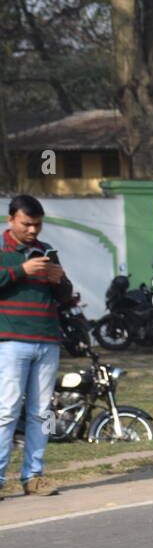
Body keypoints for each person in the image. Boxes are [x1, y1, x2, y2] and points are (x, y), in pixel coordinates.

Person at [0, 194, 73, 499]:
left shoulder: (46, 251)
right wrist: (20, 271)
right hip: (11, 341)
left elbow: (66, 297)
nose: (33, 231)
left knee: (42, 414)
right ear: (11, 220)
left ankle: (34, 476)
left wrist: (59, 280)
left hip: (47, 340)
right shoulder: (2, 250)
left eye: (38, 225)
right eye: (27, 224)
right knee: (6, 410)